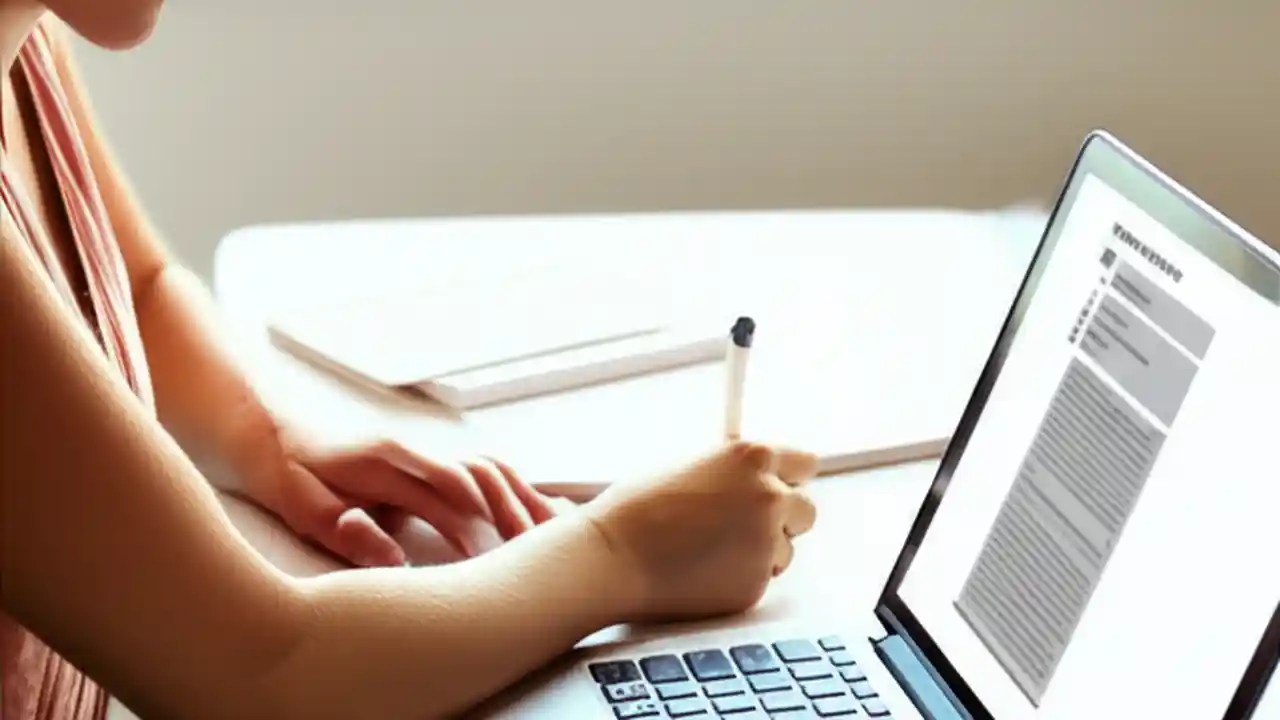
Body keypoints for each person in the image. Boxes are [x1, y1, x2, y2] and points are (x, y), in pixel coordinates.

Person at [0, 1, 820, 717]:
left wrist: (265, 437)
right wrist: (625, 552)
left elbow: (136, 288)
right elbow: (263, 676)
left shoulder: (29, 34)